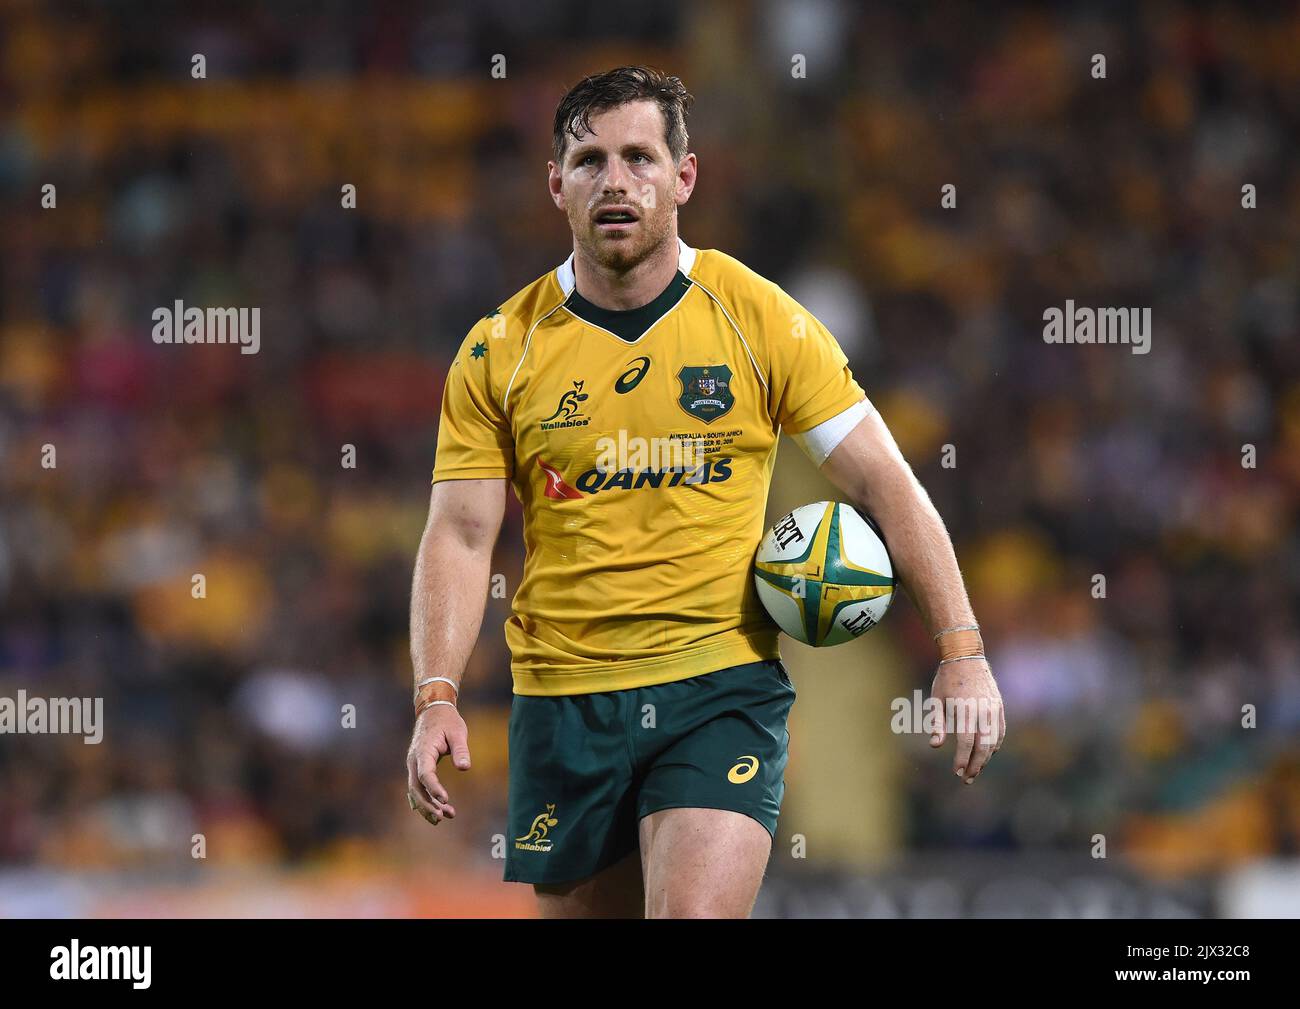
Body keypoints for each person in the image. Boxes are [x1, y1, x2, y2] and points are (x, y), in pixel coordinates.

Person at [406, 66, 1004, 919]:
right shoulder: (499, 348)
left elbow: (886, 480)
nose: (616, 181)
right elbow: (461, 534)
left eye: (641, 157)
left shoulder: (761, 318)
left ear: (684, 177)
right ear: (556, 185)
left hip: (718, 686)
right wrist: (436, 696)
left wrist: (963, 650)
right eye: (589, 160)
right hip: (564, 698)